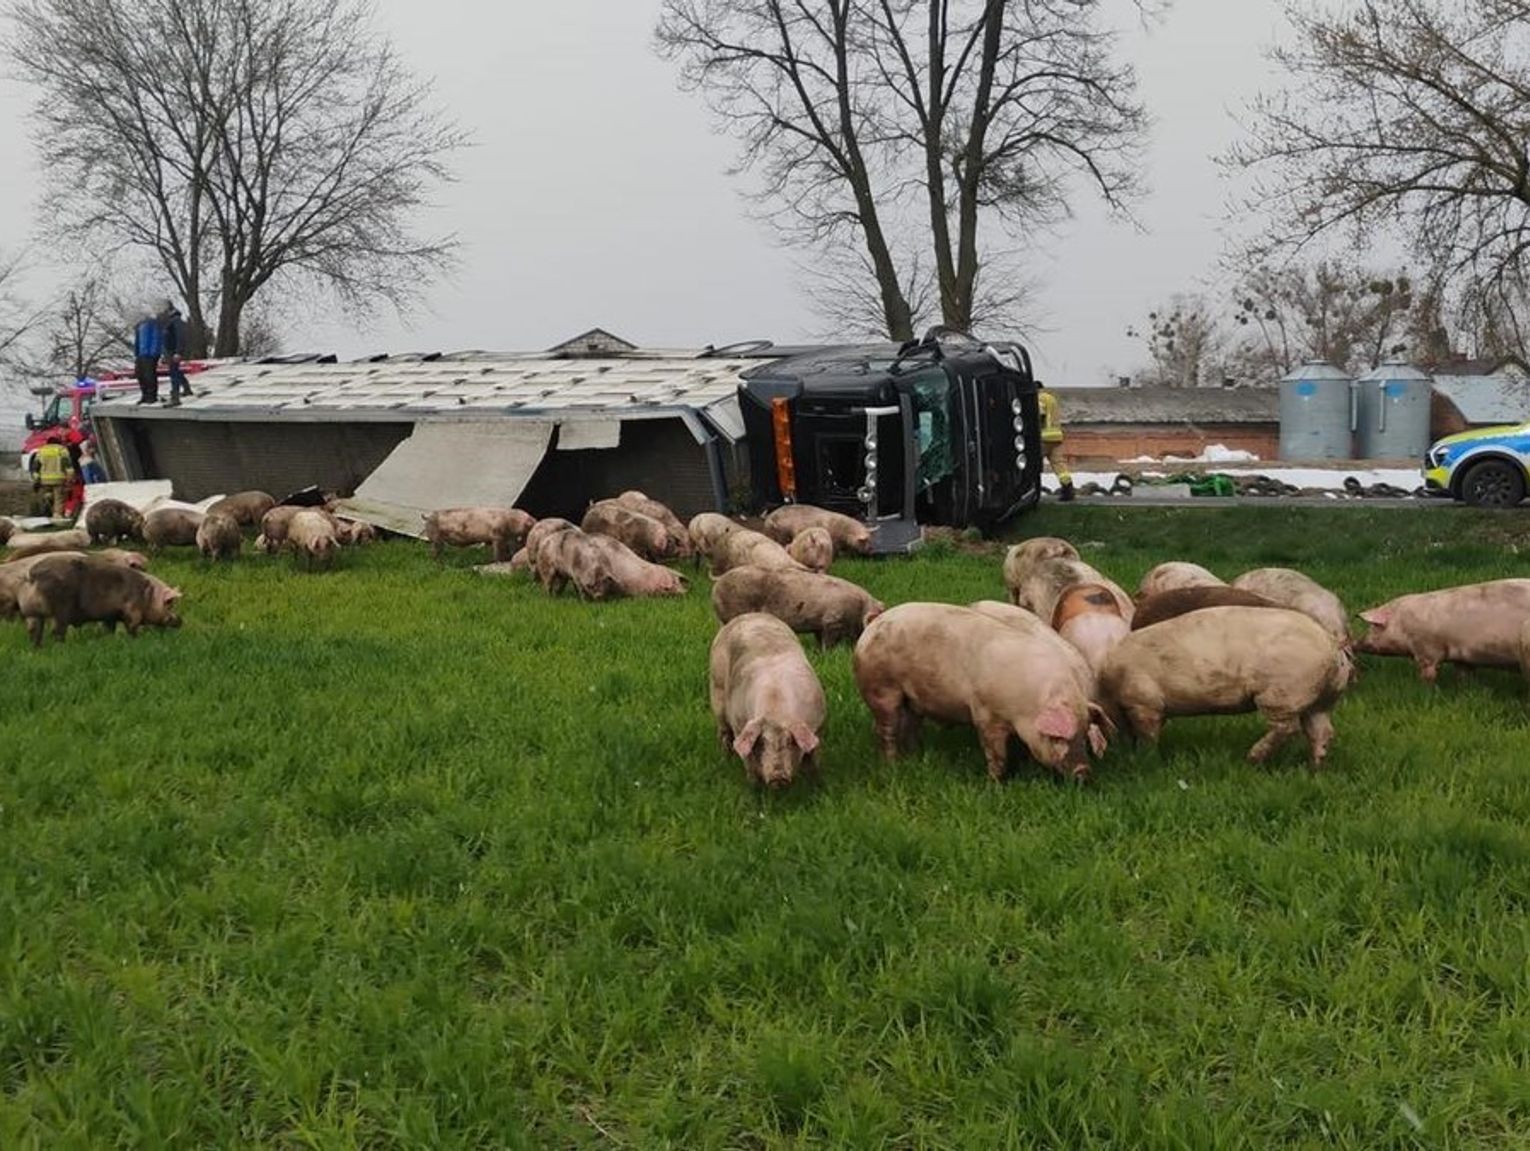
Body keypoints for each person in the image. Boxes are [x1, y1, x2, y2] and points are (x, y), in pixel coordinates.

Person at [1037, 382, 1075, 502]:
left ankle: (1032, 490)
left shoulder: (1039, 398)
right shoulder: (1051, 398)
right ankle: (1068, 489)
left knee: (1033, 464)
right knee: (1059, 464)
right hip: (1056, 437)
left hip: (1044, 437)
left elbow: (1040, 415)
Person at [30, 439, 77, 518]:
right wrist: (70, 479)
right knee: (59, 499)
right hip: (59, 479)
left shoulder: (41, 451)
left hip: (44, 480)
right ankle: (57, 516)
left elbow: (35, 468)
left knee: (48, 494)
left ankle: (48, 504)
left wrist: (36, 480)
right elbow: (68, 466)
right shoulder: (62, 450)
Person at [158, 300, 193, 406]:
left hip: (174, 351)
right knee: (175, 371)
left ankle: (175, 398)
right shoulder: (168, 321)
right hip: (169, 351)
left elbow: (180, 336)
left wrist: (178, 352)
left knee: (174, 373)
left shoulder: (176, 320)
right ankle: (186, 389)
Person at [133, 307, 162, 404]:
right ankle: (144, 395)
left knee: (149, 375)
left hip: (150, 354)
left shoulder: (153, 323)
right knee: (140, 374)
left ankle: (152, 396)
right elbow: (137, 340)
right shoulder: (139, 325)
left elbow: (156, 338)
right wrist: (136, 352)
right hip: (141, 354)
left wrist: (154, 352)